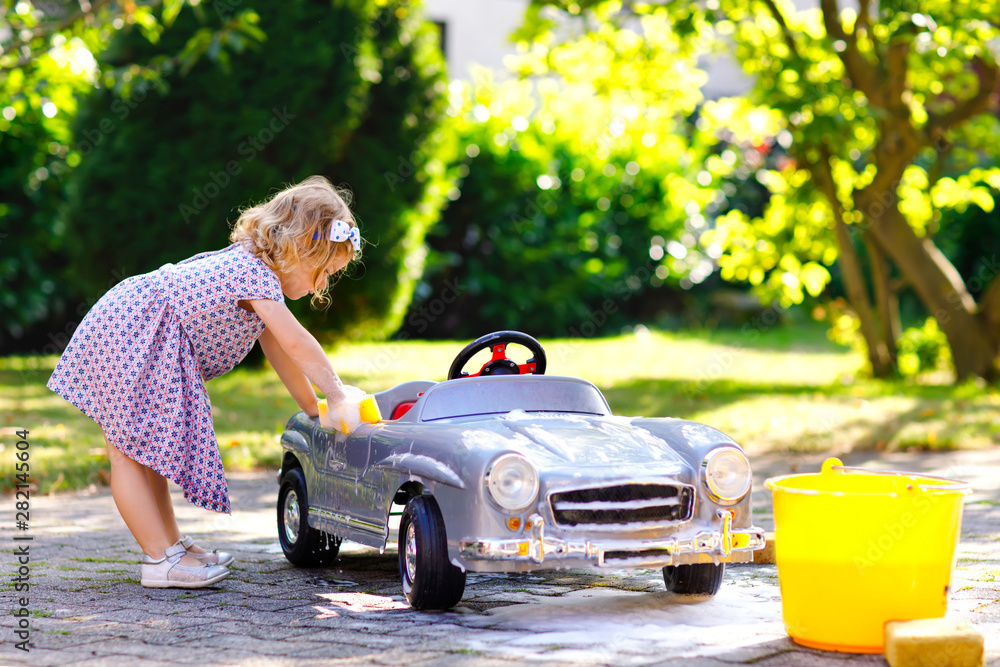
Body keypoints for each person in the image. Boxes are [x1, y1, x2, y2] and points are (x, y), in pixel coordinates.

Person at [47, 175, 362, 588]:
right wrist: (336, 394)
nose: (323, 285)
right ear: (301, 247)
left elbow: (280, 352)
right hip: (133, 331)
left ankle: (170, 545)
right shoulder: (254, 274)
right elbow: (298, 343)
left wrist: (312, 407)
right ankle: (159, 560)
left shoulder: (254, 270)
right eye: (324, 272)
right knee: (125, 451)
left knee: (147, 450)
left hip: (138, 326)